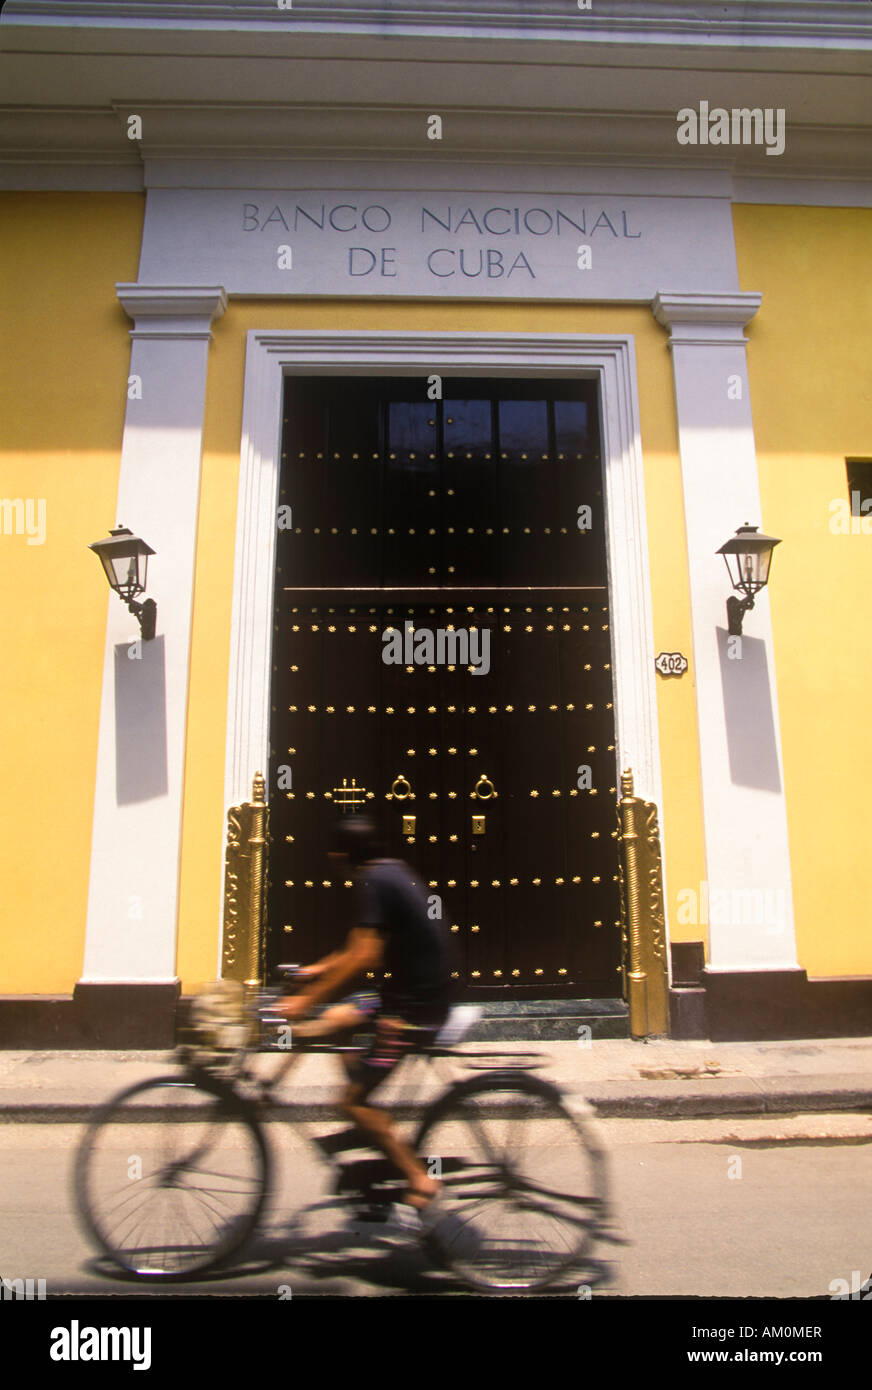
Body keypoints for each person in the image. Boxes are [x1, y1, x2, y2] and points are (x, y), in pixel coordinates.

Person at [280, 815, 455, 1212]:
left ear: (341, 856)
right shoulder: (389, 870)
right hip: (409, 996)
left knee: (351, 1101)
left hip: (412, 1011)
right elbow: (355, 947)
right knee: (339, 1020)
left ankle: (417, 1178)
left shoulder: (372, 882)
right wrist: (314, 973)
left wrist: (304, 1002)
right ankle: (367, 1118)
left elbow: (365, 955)